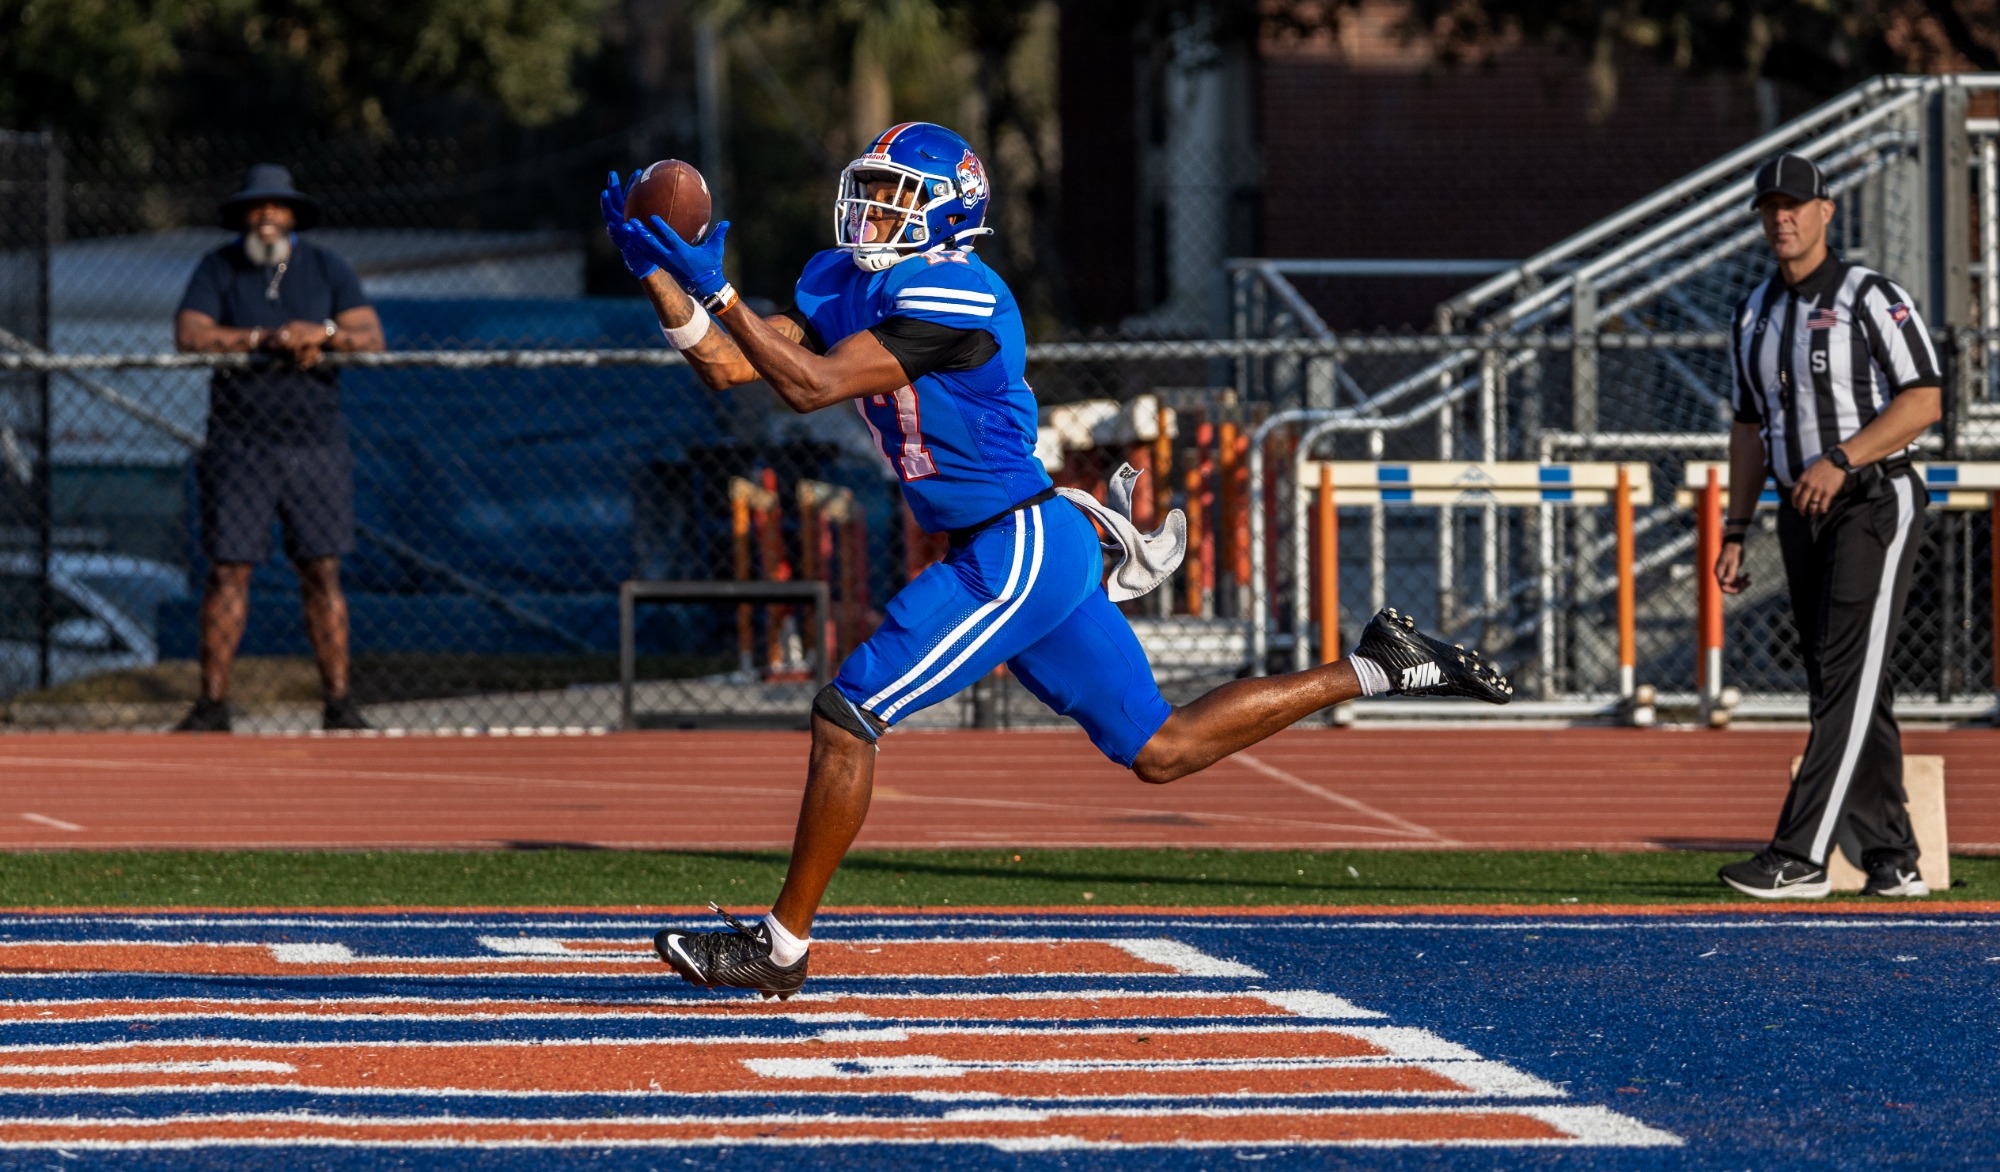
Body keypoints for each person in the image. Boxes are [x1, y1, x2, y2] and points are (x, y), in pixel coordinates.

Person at [601, 123, 1512, 998]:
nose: (870, 214)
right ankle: (1381, 666)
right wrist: (658, 275)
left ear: (946, 214)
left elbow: (811, 387)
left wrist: (716, 291)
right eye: (868, 193)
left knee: (848, 714)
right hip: (1028, 542)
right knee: (1161, 749)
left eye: (893, 198)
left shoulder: (961, 297)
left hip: (1015, 545)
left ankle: (781, 948)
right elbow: (734, 369)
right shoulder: (843, 278)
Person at [1714, 152, 1942, 899]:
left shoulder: (1870, 297)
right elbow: (1749, 428)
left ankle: (1802, 854)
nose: (1783, 217)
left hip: (1875, 500)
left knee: (1844, 675)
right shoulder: (1754, 312)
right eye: (1771, 207)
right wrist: (1735, 527)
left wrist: (1843, 458)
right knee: (1843, 680)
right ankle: (1892, 854)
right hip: (1798, 510)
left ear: (1825, 212)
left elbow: (1923, 401)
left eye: (1796, 205)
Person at [172, 164, 386, 733]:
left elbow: (371, 338)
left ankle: (339, 703)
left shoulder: (327, 267)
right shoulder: (219, 268)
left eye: (277, 208)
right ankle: (212, 703)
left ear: (293, 216)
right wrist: (261, 339)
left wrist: (326, 334)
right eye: (257, 207)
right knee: (228, 570)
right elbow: (190, 334)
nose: (267, 217)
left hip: (314, 441)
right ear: (244, 215)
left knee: (322, 569)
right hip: (239, 442)